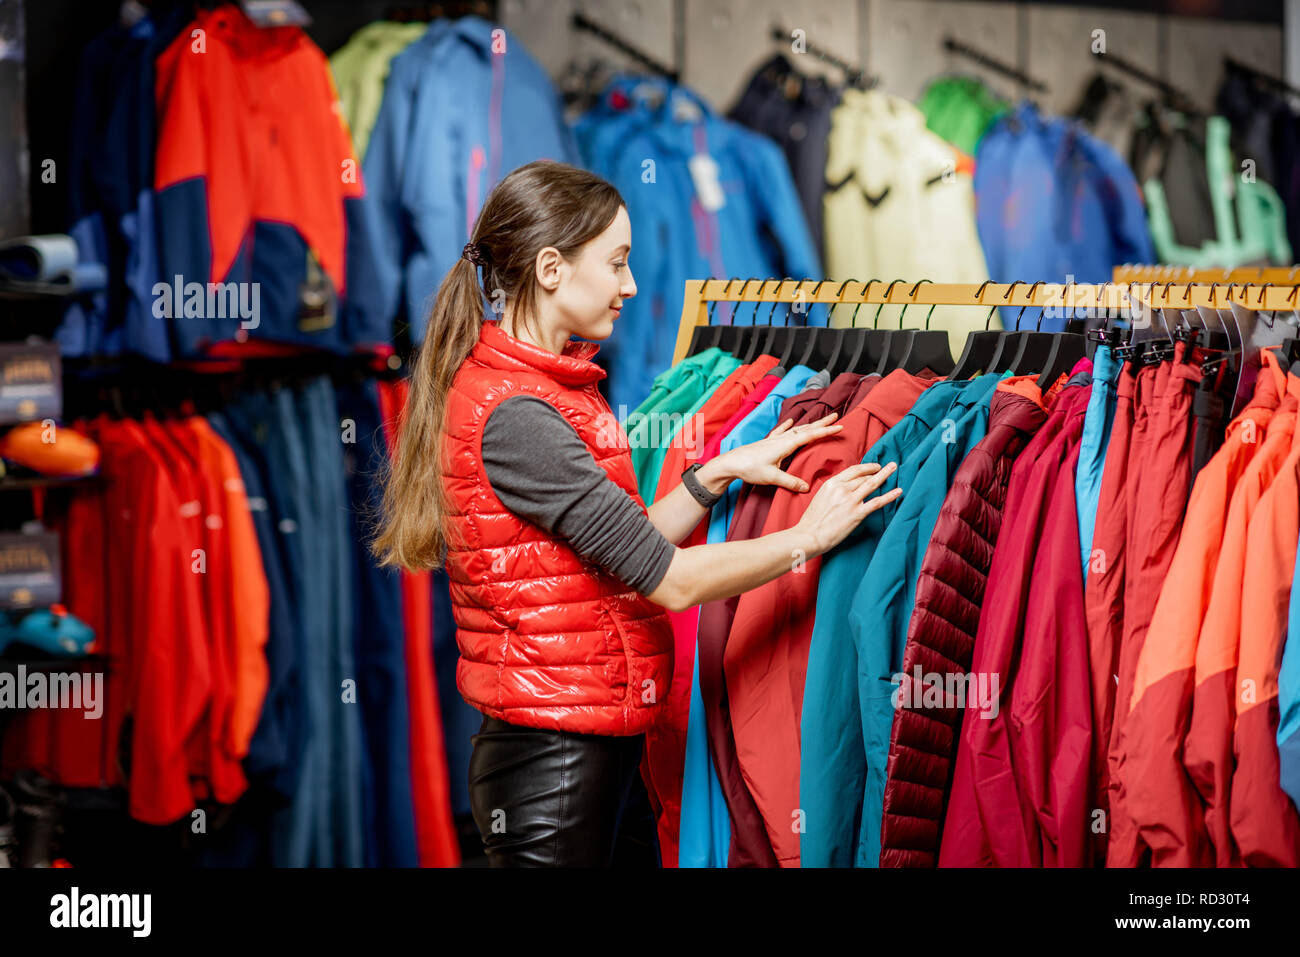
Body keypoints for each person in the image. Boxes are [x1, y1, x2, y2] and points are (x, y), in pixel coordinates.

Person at [371, 160, 901, 867]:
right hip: (554, 772)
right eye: (616, 263)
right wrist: (808, 536)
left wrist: (713, 473)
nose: (631, 286)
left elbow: (623, 548)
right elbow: (671, 579)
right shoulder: (520, 416)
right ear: (551, 267)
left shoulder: (539, 387)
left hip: (579, 755)